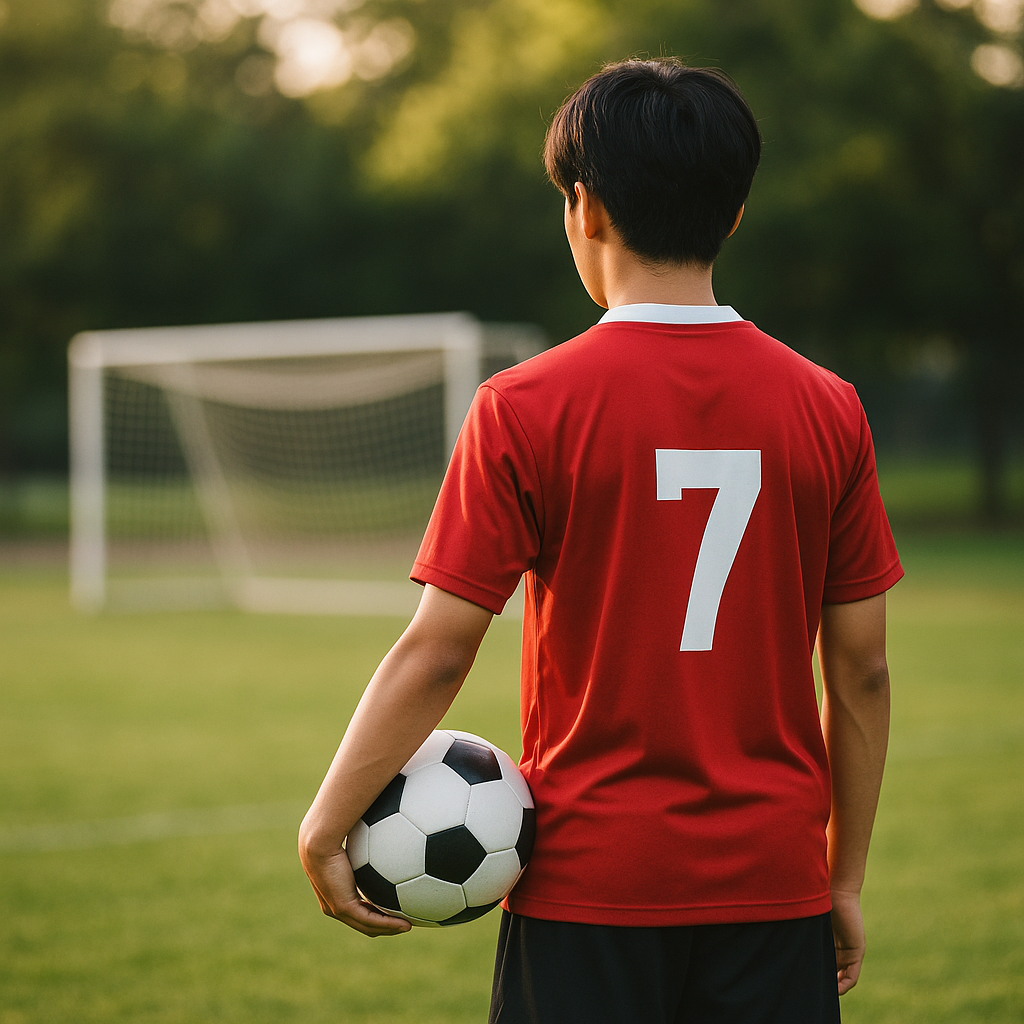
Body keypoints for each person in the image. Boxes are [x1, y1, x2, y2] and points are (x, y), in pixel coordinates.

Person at [298, 57, 902, 1024]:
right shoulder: (829, 408)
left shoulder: (524, 408)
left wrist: (327, 825)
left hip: (592, 891)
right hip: (773, 889)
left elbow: (440, 645)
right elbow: (862, 672)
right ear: (734, 215)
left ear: (584, 208)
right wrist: (843, 879)